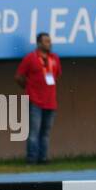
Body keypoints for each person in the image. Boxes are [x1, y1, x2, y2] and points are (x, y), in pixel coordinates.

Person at [15, 33, 61, 164]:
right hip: (35, 101)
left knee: (45, 133)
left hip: (50, 102)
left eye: (50, 41)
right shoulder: (31, 58)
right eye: (46, 41)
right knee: (34, 132)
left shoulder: (54, 58)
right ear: (39, 43)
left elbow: (57, 75)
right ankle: (31, 159)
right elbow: (18, 76)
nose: (49, 43)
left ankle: (43, 158)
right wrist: (28, 88)